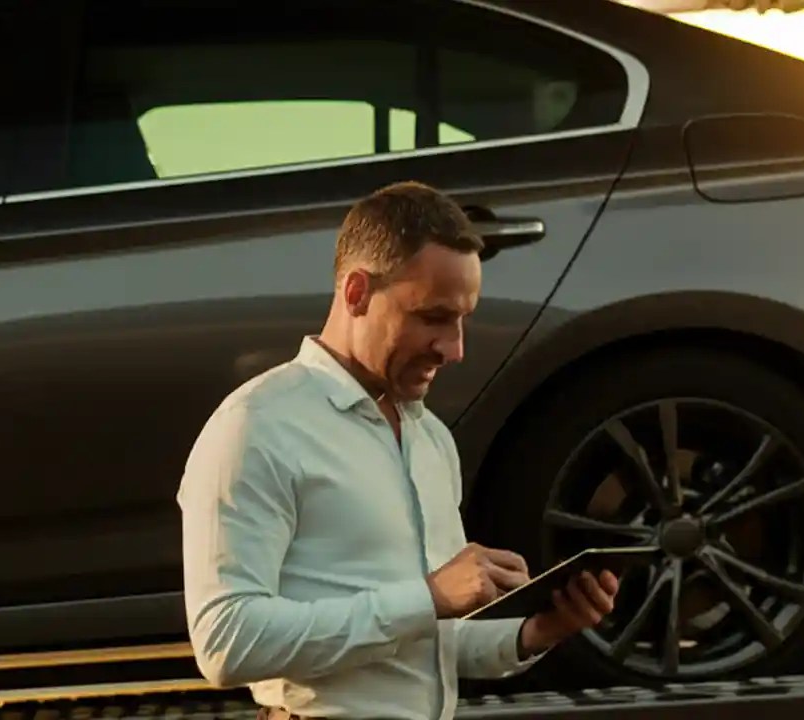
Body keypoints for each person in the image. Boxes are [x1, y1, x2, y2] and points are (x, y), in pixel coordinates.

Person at [177, 181, 619, 720]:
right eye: (433, 317)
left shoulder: (429, 437)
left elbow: (431, 643)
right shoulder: (257, 426)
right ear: (357, 293)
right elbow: (225, 643)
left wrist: (538, 630)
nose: (454, 349)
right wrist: (428, 597)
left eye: (463, 319)